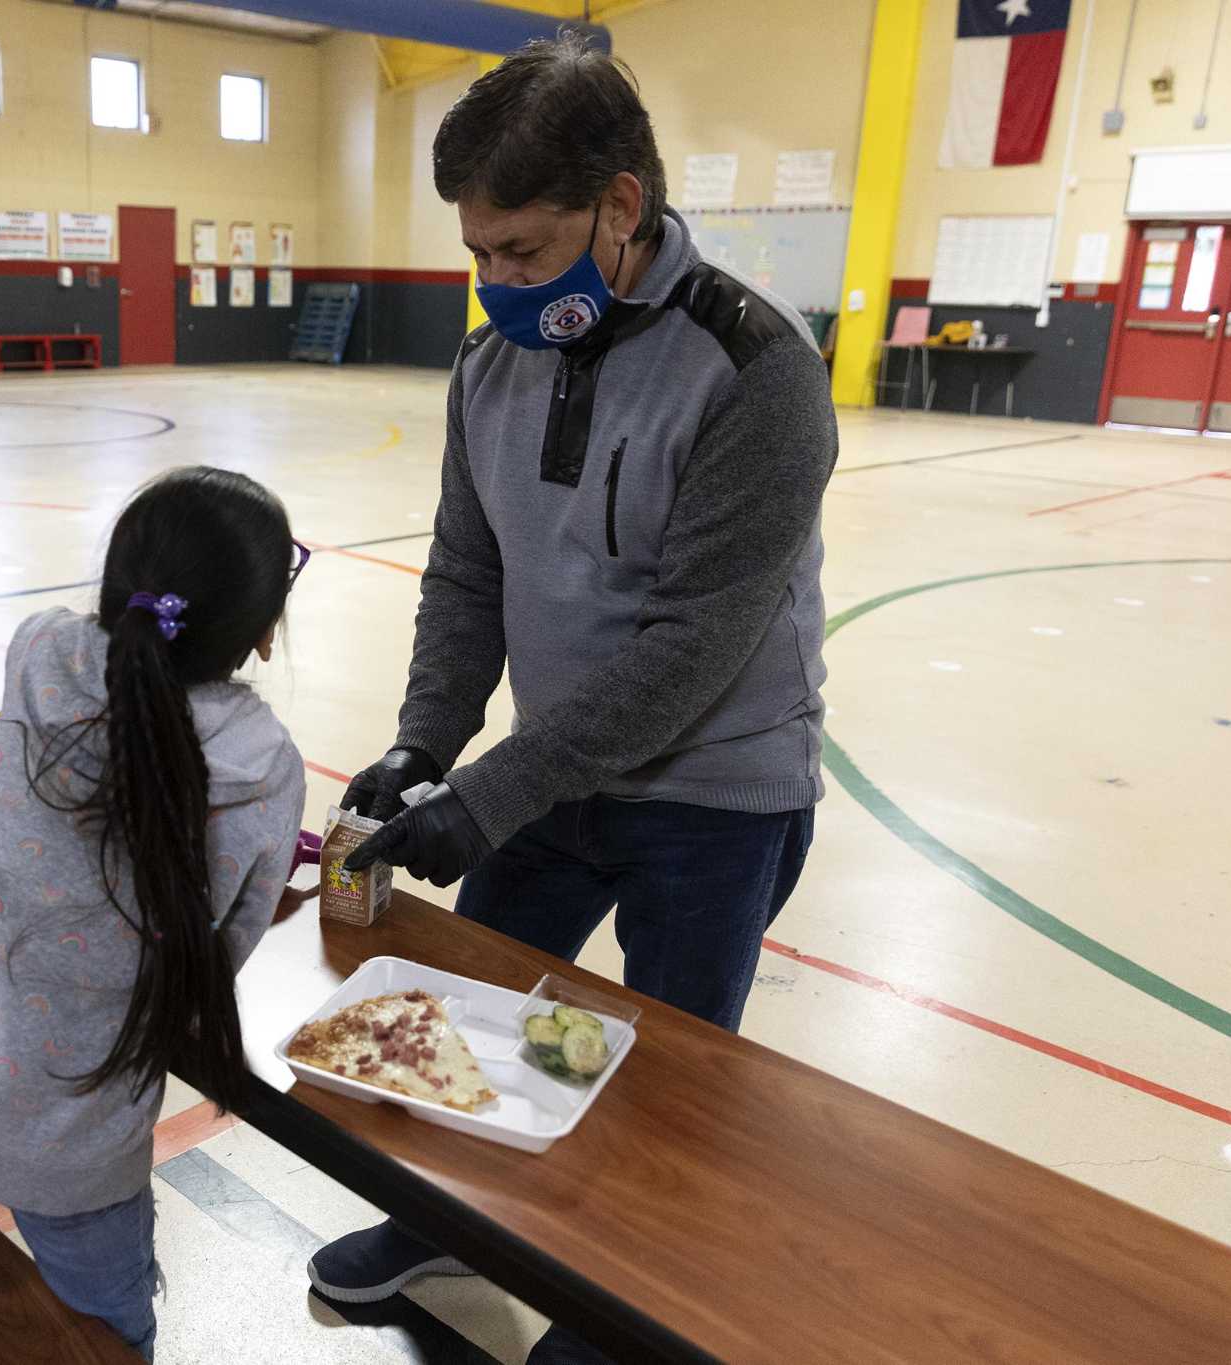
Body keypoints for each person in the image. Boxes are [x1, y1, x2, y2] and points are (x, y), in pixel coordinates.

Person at [308, 37, 837, 1363]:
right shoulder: (490, 364)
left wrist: (480, 799)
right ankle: (464, 1227)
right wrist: (428, 734)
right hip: (552, 776)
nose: (494, 285)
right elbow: (468, 564)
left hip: (713, 797)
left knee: (667, 1091)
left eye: (523, 253)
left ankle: (622, 1313)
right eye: (477, 254)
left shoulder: (757, 372)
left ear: (619, 207)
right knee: (485, 1039)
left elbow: (684, 658)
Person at [0, 467, 309, 1356]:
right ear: (259, 635)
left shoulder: (38, 650)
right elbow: (230, 946)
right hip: (71, 1145)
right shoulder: (265, 764)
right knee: (115, 1323)